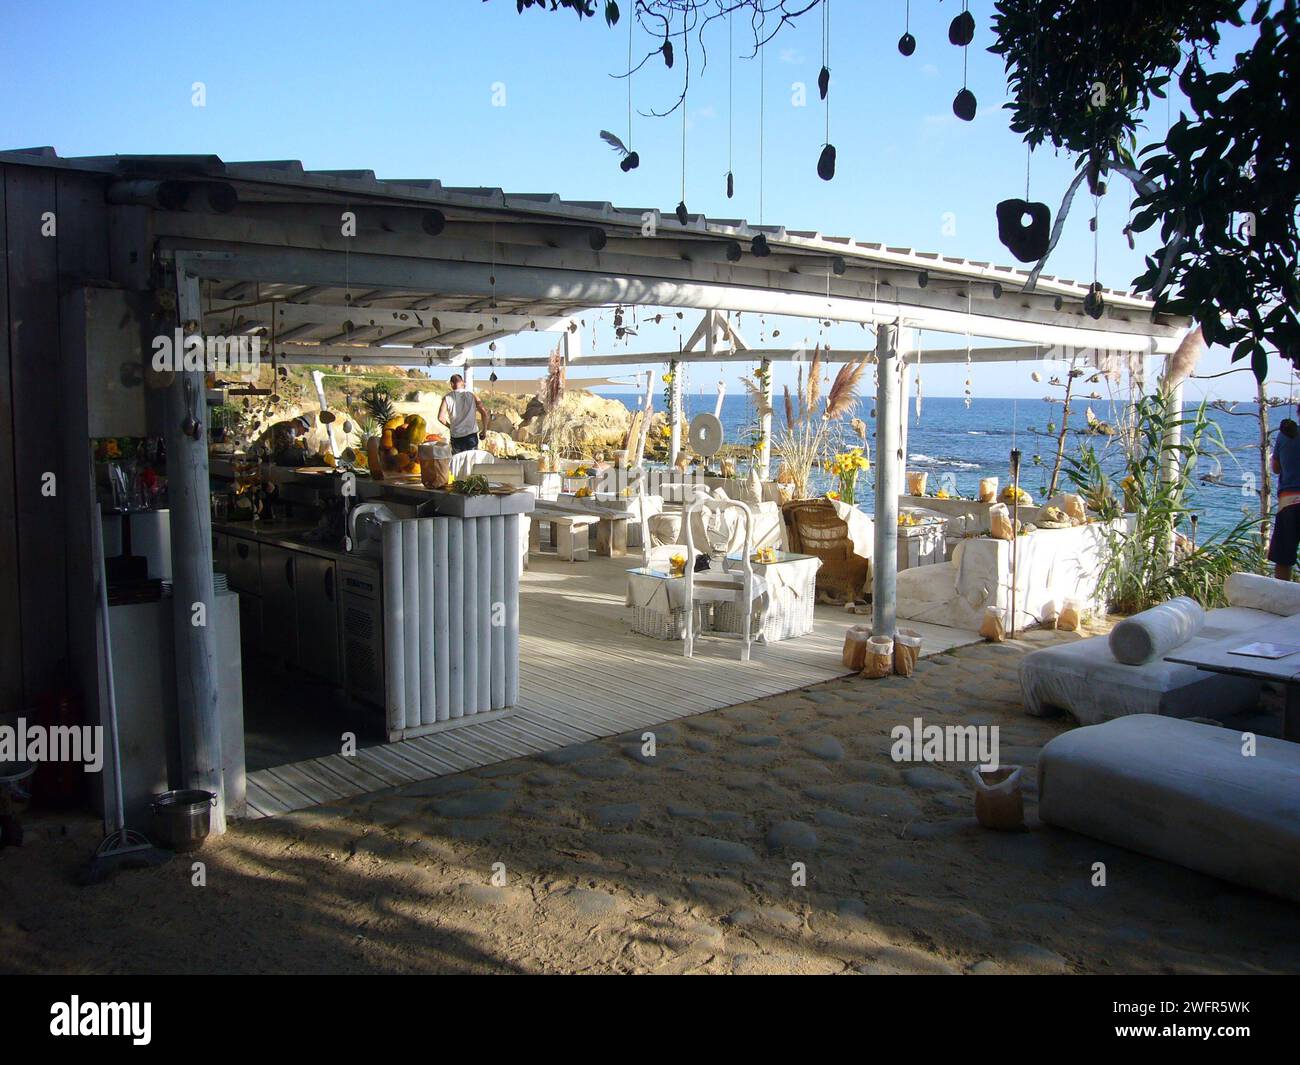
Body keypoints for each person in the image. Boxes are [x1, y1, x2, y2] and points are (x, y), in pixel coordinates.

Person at [1268, 416, 1300, 580]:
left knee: (1283, 557)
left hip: (1289, 500)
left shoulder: (1284, 435)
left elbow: (1275, 468)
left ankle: (1281, 599)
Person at [437, 374, 487, 454]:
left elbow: (440, 418)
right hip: (471, 436)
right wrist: (484, 430)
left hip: (456, 437)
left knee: (458, 462)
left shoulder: (447, 398)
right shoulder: (472, 395)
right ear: (463, 382)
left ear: (451, 384)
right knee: (472, 462)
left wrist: (450, 426)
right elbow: (484, 413)